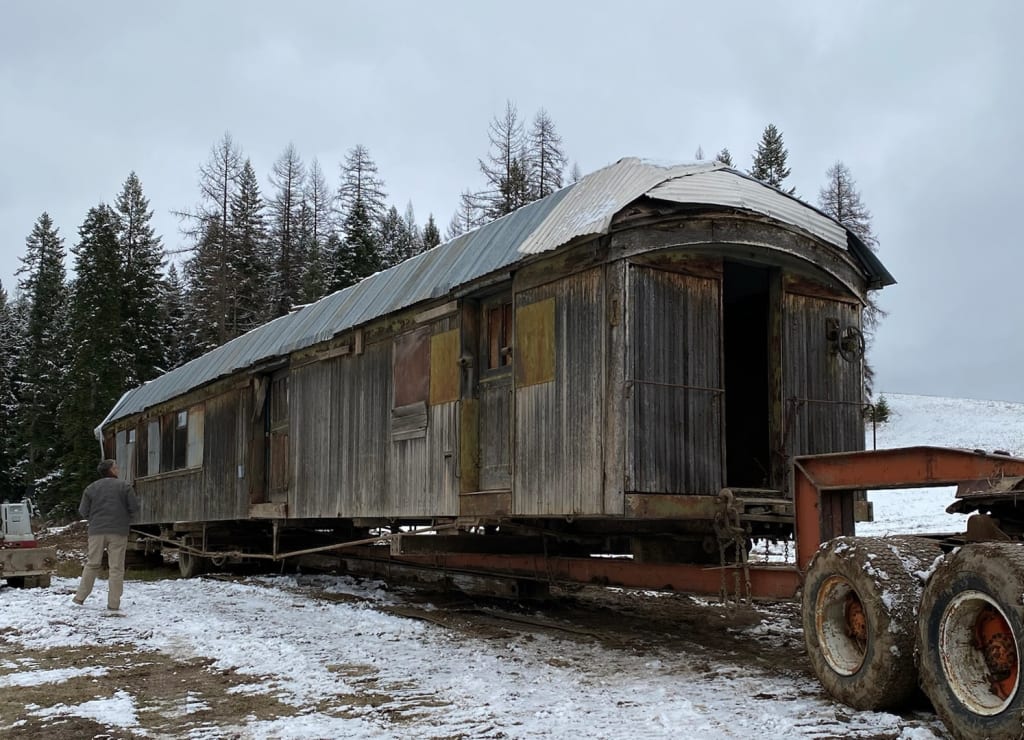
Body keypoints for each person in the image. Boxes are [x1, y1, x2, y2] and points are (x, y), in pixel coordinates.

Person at [73, 459, 140, 611]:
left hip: (96, 531)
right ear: (112, 471)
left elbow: (83, 511)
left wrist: (95, 518)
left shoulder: (91, 488)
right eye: (116, 467)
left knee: (92, 564)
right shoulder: (125, 486)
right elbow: (134, 508)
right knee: (116, 567)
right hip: (118, 531)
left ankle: (80, 597)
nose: (118, 469)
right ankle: (113, 603)